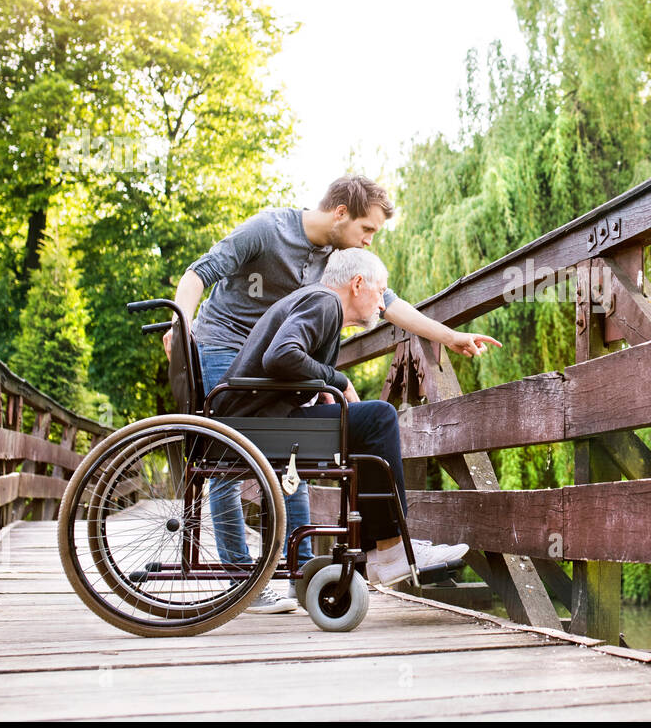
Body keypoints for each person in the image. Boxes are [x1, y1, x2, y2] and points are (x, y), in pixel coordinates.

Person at [167, 176, 500, 612]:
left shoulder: (340, 262)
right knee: (230, 462)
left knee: (292, 463)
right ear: (341, 214)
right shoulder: (268, 230)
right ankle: (241, 581)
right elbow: (201, 271)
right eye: (368, 230)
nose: (368, 240)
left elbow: (386, 302)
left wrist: (449, 336)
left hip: (281, 357)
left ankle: (300, 576)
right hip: (225, 344)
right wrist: (180, 323)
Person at [210, 248, 464, 590]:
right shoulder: (325, 302)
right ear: (357, 283)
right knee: (378, 417)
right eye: (380, 290)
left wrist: (321, 388)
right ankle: (388, 551)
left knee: (367, 424)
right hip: (257, 426)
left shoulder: (317, 301)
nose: (381, 304)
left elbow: (287, 362)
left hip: (257, 420)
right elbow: (281, 355)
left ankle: (381, 550)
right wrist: (338, 381)